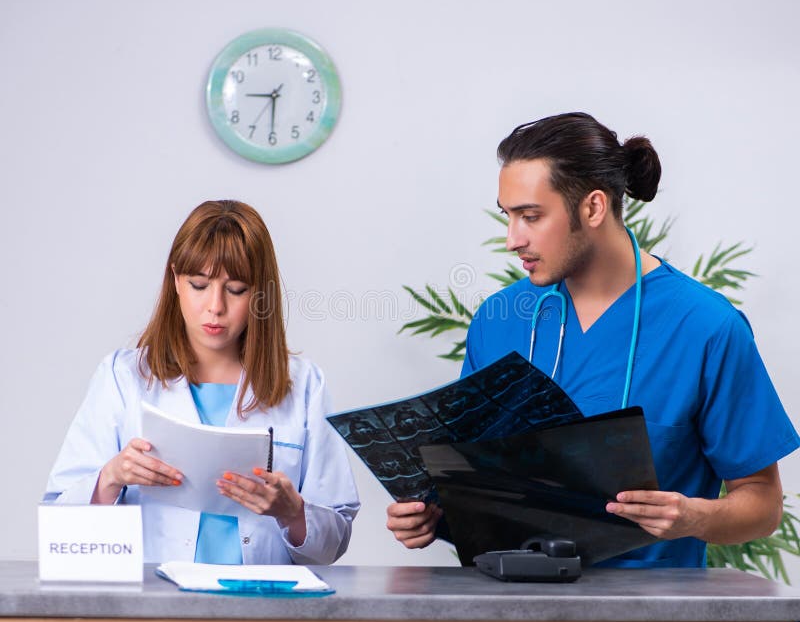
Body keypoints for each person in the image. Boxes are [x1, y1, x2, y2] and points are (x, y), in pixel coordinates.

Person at [387, 112, 799, 568]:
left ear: (594, 208)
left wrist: (694, 517)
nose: (512, 239)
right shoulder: (499, 320)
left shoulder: (706, 327)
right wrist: (431, 515)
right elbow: (476, 483)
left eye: (531, 216)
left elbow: (761, 505)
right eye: (508, 216)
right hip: (509, 611)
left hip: (648, 618)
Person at [45, 200, 359, 565]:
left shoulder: (304, 385)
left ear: (260, 293)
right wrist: (111, 478)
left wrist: (292, 511)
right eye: (198, 284)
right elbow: (59, 519)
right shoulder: (123, 377)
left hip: (264, 606)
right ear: (176, 280)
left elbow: (333, 543)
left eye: (237, 289)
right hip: (155, 607)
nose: (215, 306)